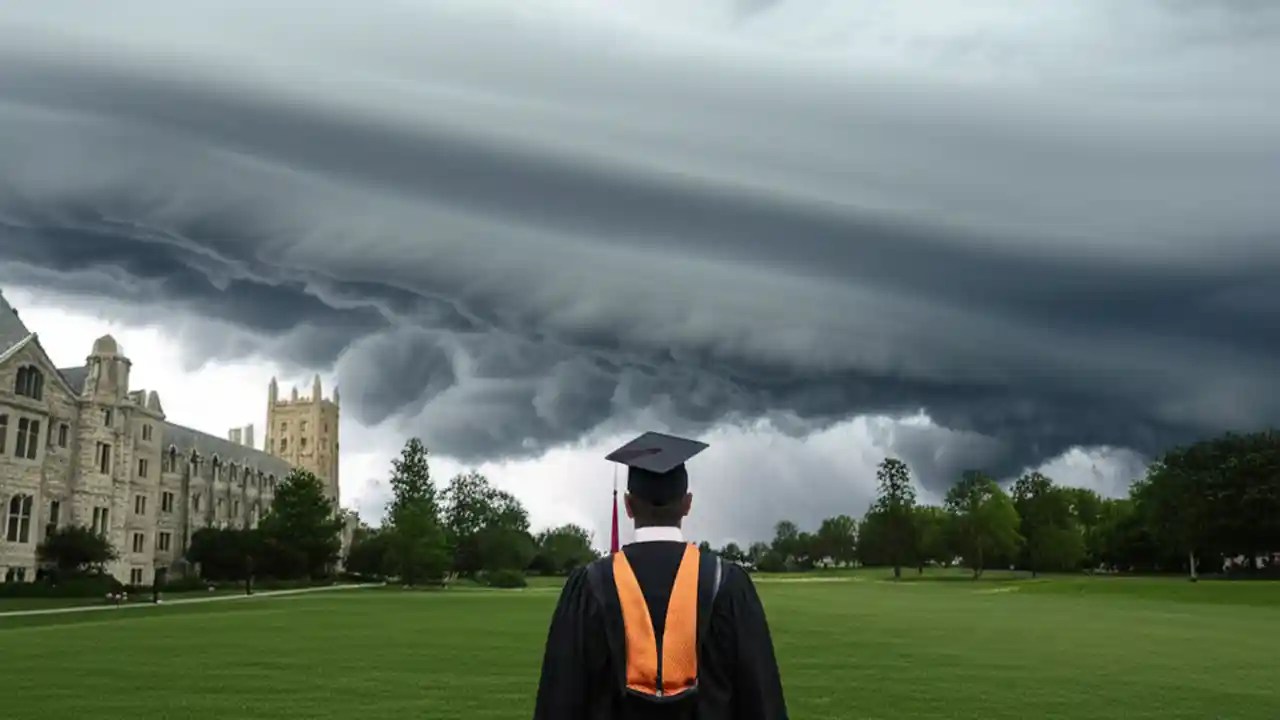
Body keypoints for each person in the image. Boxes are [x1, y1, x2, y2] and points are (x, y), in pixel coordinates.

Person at [532, 431, 789, 720]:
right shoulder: (727, 584)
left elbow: (560, 699)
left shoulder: (590, 586)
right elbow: (760, 699)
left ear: (628, 506)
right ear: (687, 504)